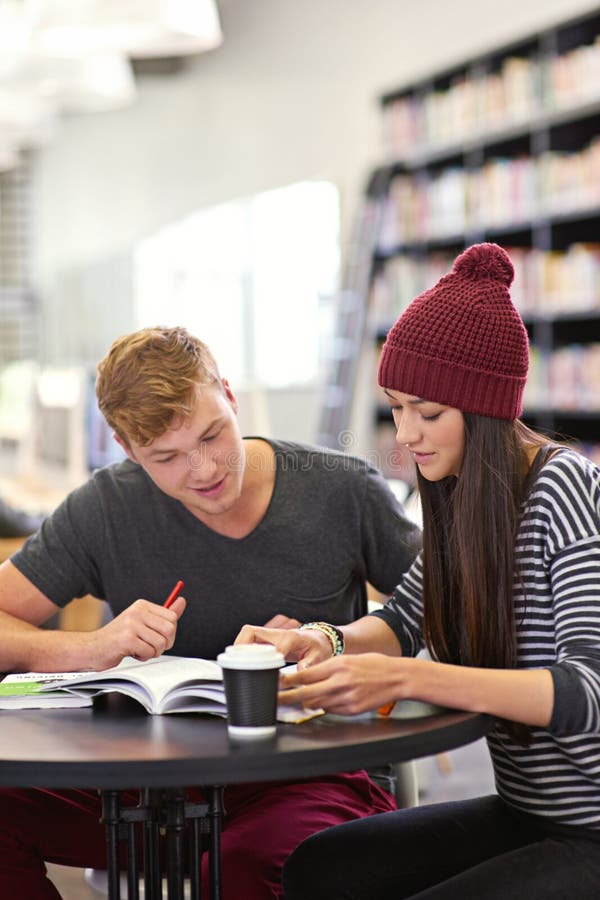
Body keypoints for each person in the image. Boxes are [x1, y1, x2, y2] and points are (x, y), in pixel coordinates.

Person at [0, 325, 421, 900]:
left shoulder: (341, 489)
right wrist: (88, 649)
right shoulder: (106, 507)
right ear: (127, 448)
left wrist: (330, 638)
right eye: (167, 457)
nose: (203, 471)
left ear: (229, 395)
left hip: (305, 775)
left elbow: (449, 605)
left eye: (212, 435)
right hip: (145, 783)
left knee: (251, 864)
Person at [237, 243, 600, 900]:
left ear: (486, 409)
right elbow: (404, 619)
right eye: (397, 407)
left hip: (589, 829)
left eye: (427, 412)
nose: (405, 434)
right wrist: (322, 641)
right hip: (526, 813)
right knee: (319, 868)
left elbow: (589, 691)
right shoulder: (464, 496)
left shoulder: (562, 486)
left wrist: (409, 676)